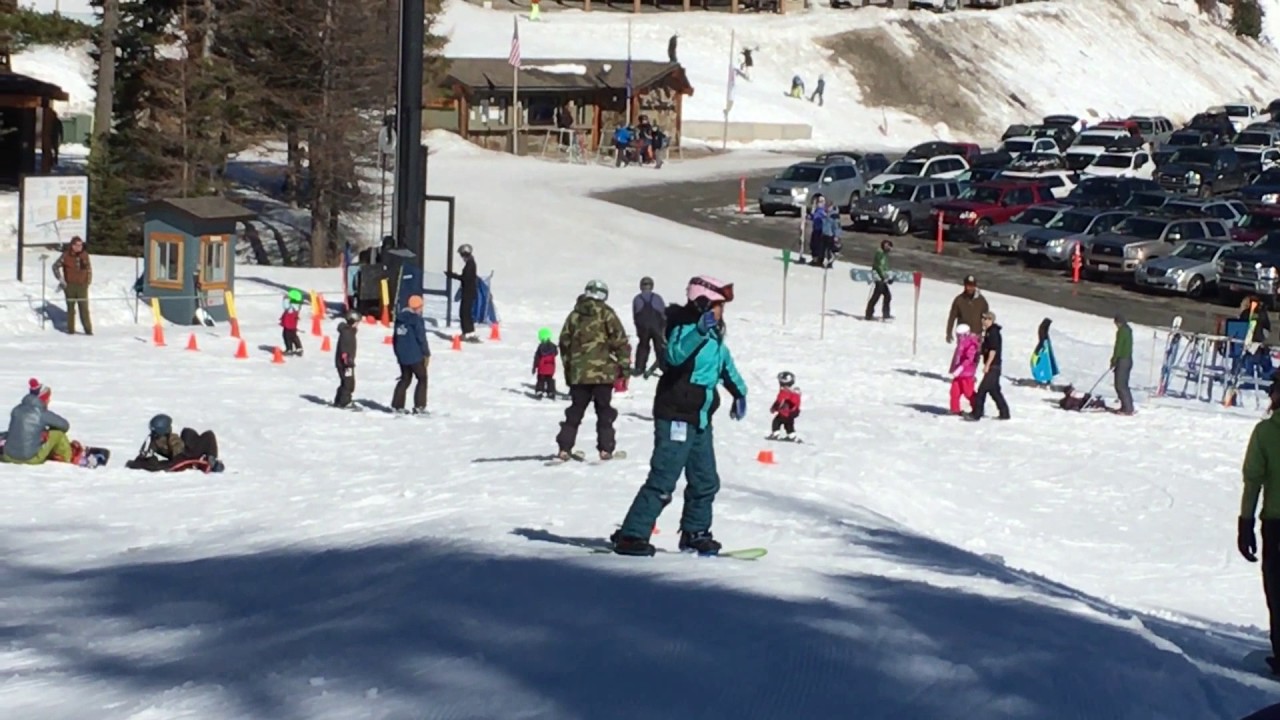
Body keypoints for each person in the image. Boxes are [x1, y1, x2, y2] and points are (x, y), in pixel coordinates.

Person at [613, 276, 748, 557]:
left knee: (705, 479)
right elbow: (672, 357)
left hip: (699, 416)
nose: (722, 311)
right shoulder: (683, 327)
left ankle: (695, 532)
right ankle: (632, 534)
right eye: (719, 305)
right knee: (664, 477)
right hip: (676, 413)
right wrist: (697, 331)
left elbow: (724, 363)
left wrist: (739, 392)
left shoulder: (714, 334)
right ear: (703, 303)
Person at [555, 279, 630, 461]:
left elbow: (564, 343)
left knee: (575, 411)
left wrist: (570, 368)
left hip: (579, 374)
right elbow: (620, 341)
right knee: (604, 411)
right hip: (603, 374)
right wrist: (624, 367)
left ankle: (564, 448)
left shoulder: (574, 316)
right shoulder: (606, 314)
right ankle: (606, 449)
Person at [1238, 381, 1280, 676]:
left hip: (1277, 524)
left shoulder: (1266, 433)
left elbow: (1253, 480)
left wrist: (1245, 523)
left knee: (1277, 590)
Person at [1, 379, 71, 464]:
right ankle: (66, 458)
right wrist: (48, 430)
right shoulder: (42, 413)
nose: (49, 401)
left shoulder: (16, 410)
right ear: (43, 399)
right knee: (58, 434)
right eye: (48, 398)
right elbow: (65, 426)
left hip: (8, 456)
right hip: (30, 458)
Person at [125, 414, 223, 472]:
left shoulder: (170, 439)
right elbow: (146, 455)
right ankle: (211, 458)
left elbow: (178, 458)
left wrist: (137, 462)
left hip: (188, 450)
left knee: (189, 432)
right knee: (205, 435)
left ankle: (211, 458)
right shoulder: (158, 440)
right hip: (188, 452)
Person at [965, 311, 1010, 421]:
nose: (983, 321)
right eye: (983, 318)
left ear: (991, 320)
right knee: (994, 391)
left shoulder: (993, 332)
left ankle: (976, 414)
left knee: (982, 390)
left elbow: (993, 350)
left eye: (986, 319)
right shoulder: (989, 332)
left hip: (993, 366)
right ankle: (1004, 413)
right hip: (994, 366)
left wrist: (987, 365)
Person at [391, 294, 430, 414]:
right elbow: (421, 338)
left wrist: (398, 353)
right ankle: (419, 406)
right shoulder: (417, 320)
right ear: (417, 307)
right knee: (422, 378)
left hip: (402, 356)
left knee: (405, 379)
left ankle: (397, 405)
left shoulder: (399, 319)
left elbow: (395, 338)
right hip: (415, 355)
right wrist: (426, 353)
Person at [52, 236, 92, 335]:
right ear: (72, 245)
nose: (79, 247)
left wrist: (88, 281)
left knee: (84, 308)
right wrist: (61, 280)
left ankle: (88, 330)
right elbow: (55, 266)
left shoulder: (85, 255)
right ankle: (71, 330)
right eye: (77, 245)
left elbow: (89, 269)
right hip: (69, 285)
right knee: (70, 309)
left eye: (81, 245)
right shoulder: (66, 255)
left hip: (82, 286)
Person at [632, 276, 667, 377]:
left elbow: (635, 314)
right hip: (656, 326)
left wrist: (638, 328)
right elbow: (663, 313)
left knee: (643, 346)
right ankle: (663, 366)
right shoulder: (657, 298)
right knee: (659, 347)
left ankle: (639, 367)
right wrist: (663, 327)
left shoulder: (637, 298)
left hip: (643, 327)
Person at [447, 244, 480, 342]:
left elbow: (466, 278)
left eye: (462, 255)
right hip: (468, 291)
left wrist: (453, 275)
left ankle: (468, 333)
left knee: (465, 313)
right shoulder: (470, 263)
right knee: (465, 312)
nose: (462, 258)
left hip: (468, 292)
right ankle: (467, 332)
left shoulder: (470, 264)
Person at [946, 275, 990, 344]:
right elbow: (952, 317)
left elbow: (987, 319)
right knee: (963, 354)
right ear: (965, 286)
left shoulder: (981, 301)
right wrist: (949, 332)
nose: (970, 288)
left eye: (972, 286)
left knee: (974, 354)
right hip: (963, 336)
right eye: (968, 286)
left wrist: (987, 334)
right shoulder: (959, 300)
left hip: (977, 336)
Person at [948, 323, 980, 415]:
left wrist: (960, 368)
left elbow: (969, 359)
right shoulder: (960, 344)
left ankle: (977, 408)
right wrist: (954, 368)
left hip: (967, 373)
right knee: (954, 392)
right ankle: (955, 409)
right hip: (958, 374)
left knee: (968, 392)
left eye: (959, 335)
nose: (958, 337)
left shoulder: (971, 344)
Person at [334, 309, 360, 408]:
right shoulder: (347, 333)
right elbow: (344, 348)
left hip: (344, 362)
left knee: (345, 381)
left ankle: (339, 400)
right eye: (357, 323)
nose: (358, 325)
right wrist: (347, 361)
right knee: (349, 383)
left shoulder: (349, 331)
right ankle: (345, 402)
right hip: (345, 363)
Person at [1111, 313, 1135, 415]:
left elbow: (1119, 347)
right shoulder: (1129, 331)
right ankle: (1128, 406)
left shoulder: (1121, 332)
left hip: (1122, 360)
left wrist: (1114, 360)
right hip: (1128, 359)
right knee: (1124, 384)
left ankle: (1127, 408)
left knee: (1120, 385)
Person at [768, 371, 801, 440]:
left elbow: (779, 401)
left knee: (776, 421)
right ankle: (792, 435)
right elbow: (796, 402)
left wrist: (774, 408)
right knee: (789, 423)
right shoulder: (795, 392)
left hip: (785, 412)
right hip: (792, 412)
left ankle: (775, 434)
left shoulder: (784, 392)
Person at [865, 239, 893, 320]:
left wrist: (888, 277)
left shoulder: (884, 255)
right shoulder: (880, 254)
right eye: (888, 246)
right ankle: (869, 314)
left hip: (882, 278)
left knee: (887, 296)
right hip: (879, 278)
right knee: (877, 296)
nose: (889, 249)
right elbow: (879, 266)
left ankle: (885, 314)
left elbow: (885, 268)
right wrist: (884, 277)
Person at [1031, 318, 1060, 388]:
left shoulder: (1043, 331)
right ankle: (1045, 380)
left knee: (1046, 365)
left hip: (1044, 346)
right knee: (1045, 365)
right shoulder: (1043, 332)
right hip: (1043, 349)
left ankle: (1046, 380)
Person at [531, 327, 559, 400]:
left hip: (542, 367)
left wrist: (534, 367)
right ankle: (551, 391)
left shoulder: (540, 347)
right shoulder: (553, 346)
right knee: (550, 379)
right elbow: (556, 353)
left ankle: (540, 391)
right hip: (551, 367)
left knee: (541, 379)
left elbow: (537, 358)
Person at [280, 289, 303, 356]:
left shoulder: (291, 307)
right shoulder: (297, 306)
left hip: (288, 325)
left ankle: (289, 349)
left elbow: (286, 307)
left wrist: (285, 299)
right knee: (294, 336)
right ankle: (299, 348)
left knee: (286, 337)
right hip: (293, 325)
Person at [808, 196, 828, 266]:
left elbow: (816, 217)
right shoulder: (817, 210)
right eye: (819, 202)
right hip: (816, 230)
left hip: (820, 231)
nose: (821, 203)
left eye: (822, 201)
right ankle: (815, 259)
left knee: (818, 246)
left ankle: (818, 260)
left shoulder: (823, 211)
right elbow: (811, 217)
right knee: (813, 245)